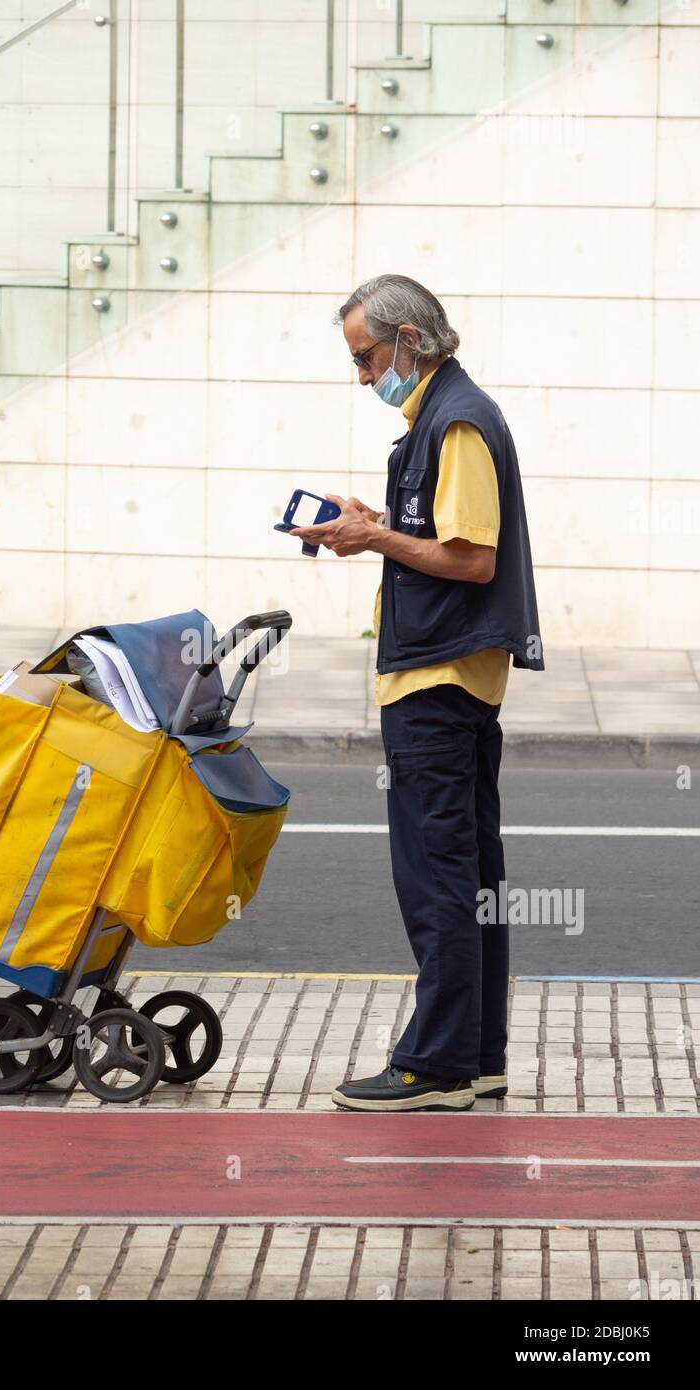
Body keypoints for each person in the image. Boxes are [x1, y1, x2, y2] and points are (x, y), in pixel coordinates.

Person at [289, 274, 544, 1112]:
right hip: (447, 670)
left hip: (438, 675)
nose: (363, 376)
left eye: (366, 358)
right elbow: (436, 536)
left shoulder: (457, 420)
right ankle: (474, 1056)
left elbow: (472, 557)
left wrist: (374, 538)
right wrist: (369, 525)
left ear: (408, 340)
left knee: (436, 875)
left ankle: (435, 1065)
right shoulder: (437, 418)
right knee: (470, 875)